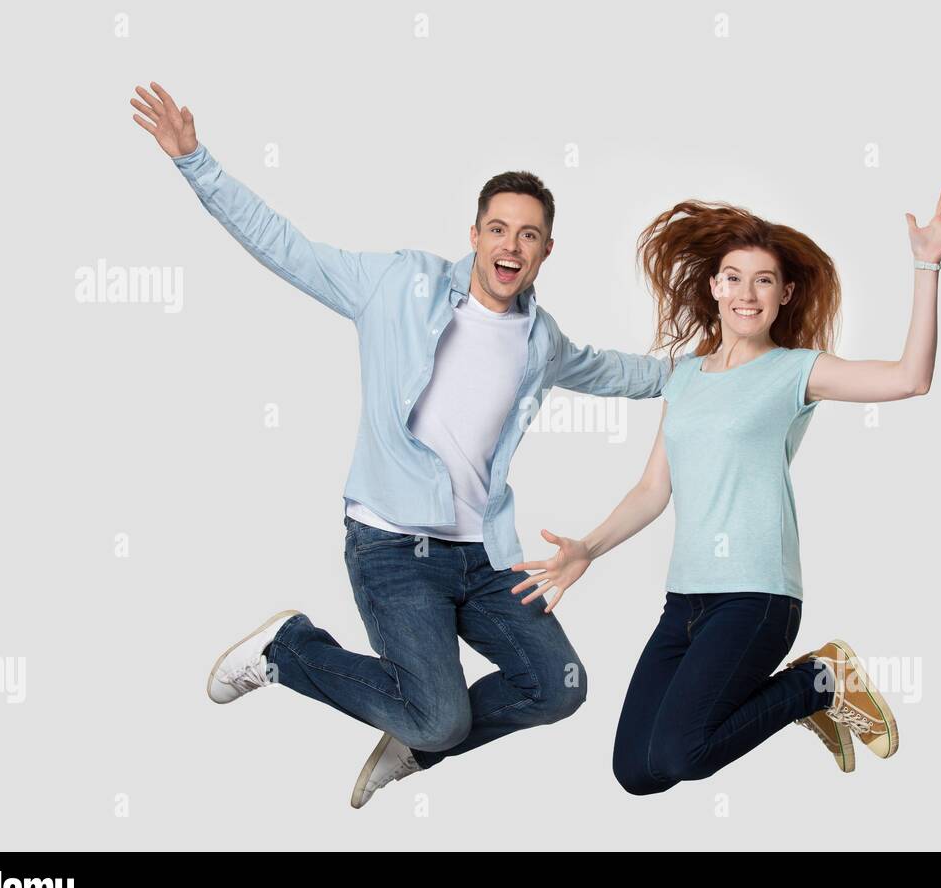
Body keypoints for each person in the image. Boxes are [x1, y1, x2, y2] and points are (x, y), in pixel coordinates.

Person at [129, 81, 673, 808]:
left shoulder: (540, 339)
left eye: (529, 235)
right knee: (443, 717)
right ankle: (289, 651)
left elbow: (615, 371)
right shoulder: (397, 284)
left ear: (545, 252)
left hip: (483, 556)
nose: (512, 245)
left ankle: (418, 732)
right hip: (392, 549)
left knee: (560, 688)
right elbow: (287, 248)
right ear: (475, 234)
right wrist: (195, 161)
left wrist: (706, 369)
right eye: (499, 228)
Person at [510, 190, 941, 789]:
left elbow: (910, 379)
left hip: (757, 597)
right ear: (713, 286)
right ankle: (811, 691)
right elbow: (654, 489)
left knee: (684, 755)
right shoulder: (684, 377)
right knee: (637, 771)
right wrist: (588, 548)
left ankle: (821, 681)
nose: (746, 293)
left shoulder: (796, 369)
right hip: (685, 601)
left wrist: (927, 266)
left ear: (784, 295)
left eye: (764, 281)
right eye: (733, 278)